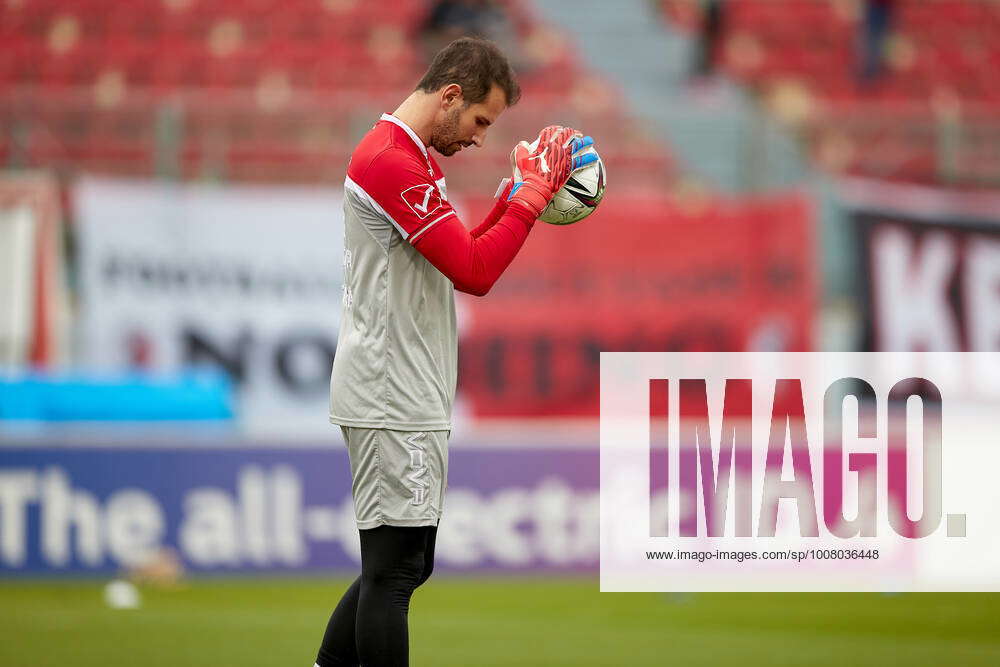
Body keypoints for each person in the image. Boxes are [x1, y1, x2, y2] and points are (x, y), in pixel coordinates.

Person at [314, 37, 596, 667]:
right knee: (393, 572)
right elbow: (474, 270)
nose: (478, 138)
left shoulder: (406, 158)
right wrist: (527, 198)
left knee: (405, 563)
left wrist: (514, 195)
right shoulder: (390, 161)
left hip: (404, 389)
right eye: (479, 121)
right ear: (449, 96)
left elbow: (457, 253)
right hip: (391, 391)